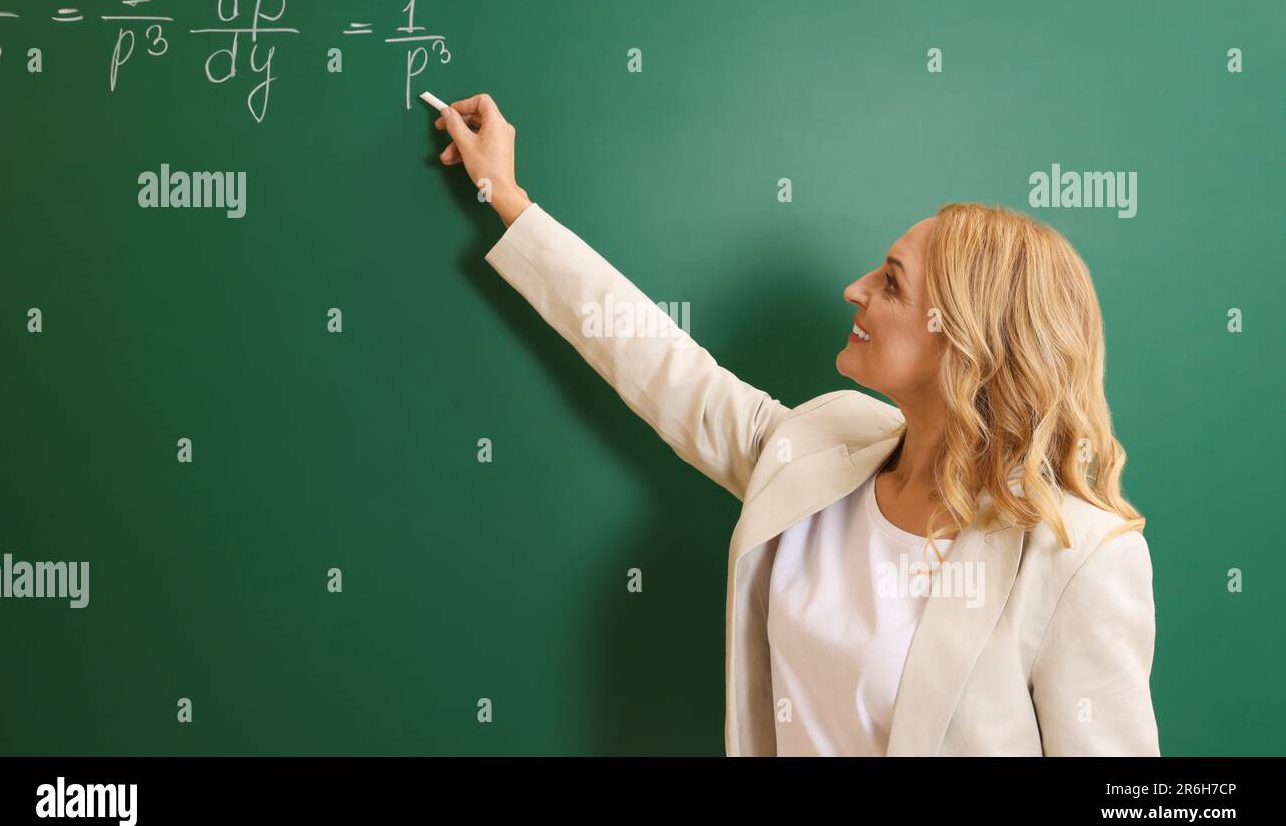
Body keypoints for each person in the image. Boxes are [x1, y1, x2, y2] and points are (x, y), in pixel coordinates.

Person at [430, 93, 1160, 757]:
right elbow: (664, 366)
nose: (857, 289)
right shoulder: (824, 451)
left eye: (891, 281)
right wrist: (508, 199)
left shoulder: (1076, 555)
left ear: (961, 342)